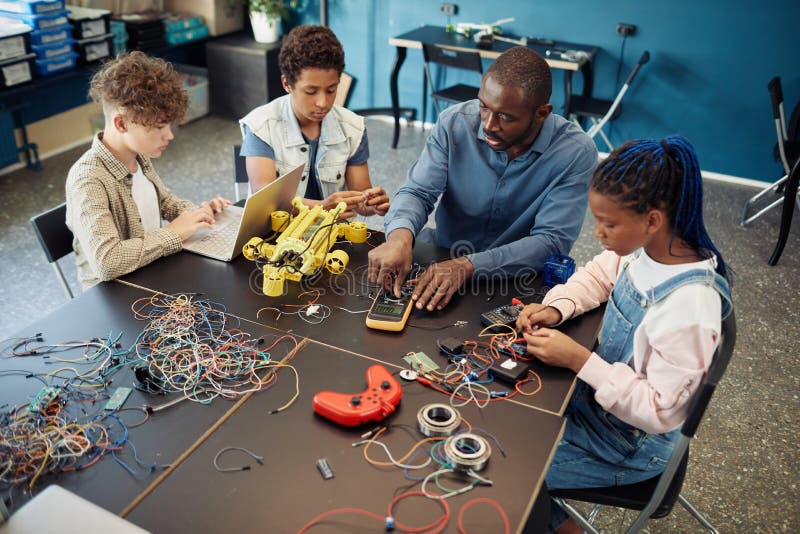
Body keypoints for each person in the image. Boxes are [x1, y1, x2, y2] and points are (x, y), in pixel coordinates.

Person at [515, 136, 732, 533]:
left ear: (652, 220)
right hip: (596, 412)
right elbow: (599, 274)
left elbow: (659, 411)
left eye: (608, 223)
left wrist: (580, 360)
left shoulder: (689, 307)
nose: (597, 233)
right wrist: (556, 306)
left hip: (629, 450)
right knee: (505, 428)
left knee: (509, 474)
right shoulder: (644, 250)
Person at [368, 46, 597, 311]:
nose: (488, 125)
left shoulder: (575, 152)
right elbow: (418, 192)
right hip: (442, 255)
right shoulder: (454, 124)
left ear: (542, 113)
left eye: (504, 116)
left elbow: (551, 241)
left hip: (516, 280)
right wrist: (399, 238)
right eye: (484, 107)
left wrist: (469, 265)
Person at [65, 51, 230, 289]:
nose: (170, 135)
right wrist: (174, 233)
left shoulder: (138, 156)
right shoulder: (88, 180)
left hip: (151, 272)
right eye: (160, 127)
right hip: (114, 295)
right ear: (121, 124)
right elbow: (108, 262)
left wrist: (200, 213)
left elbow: (166, 203)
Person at [239, 25, 389, 219]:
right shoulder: (261, 126)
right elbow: (266, 201)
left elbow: (360, 201)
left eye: (331, 90)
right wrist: (322, 207)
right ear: (287, 84)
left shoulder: (353, 128)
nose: (323, 103)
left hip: (330, 236)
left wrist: (373, 204)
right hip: (274, 237)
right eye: (311, 91)